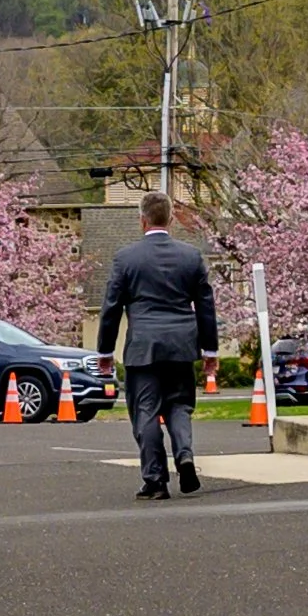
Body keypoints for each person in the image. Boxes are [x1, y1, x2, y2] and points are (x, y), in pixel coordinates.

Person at [97, 194, 220, 500]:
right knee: (179, 405)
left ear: (142, 220)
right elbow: (206, 307)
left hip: (144, 347)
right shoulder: (191, 257)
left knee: (146, 412)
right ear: (171, 220)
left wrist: (105, 351)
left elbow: (111, 308)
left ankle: (155, 479)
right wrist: (211, 351)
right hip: (181, 346)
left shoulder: (126, 258)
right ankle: (185, 456)